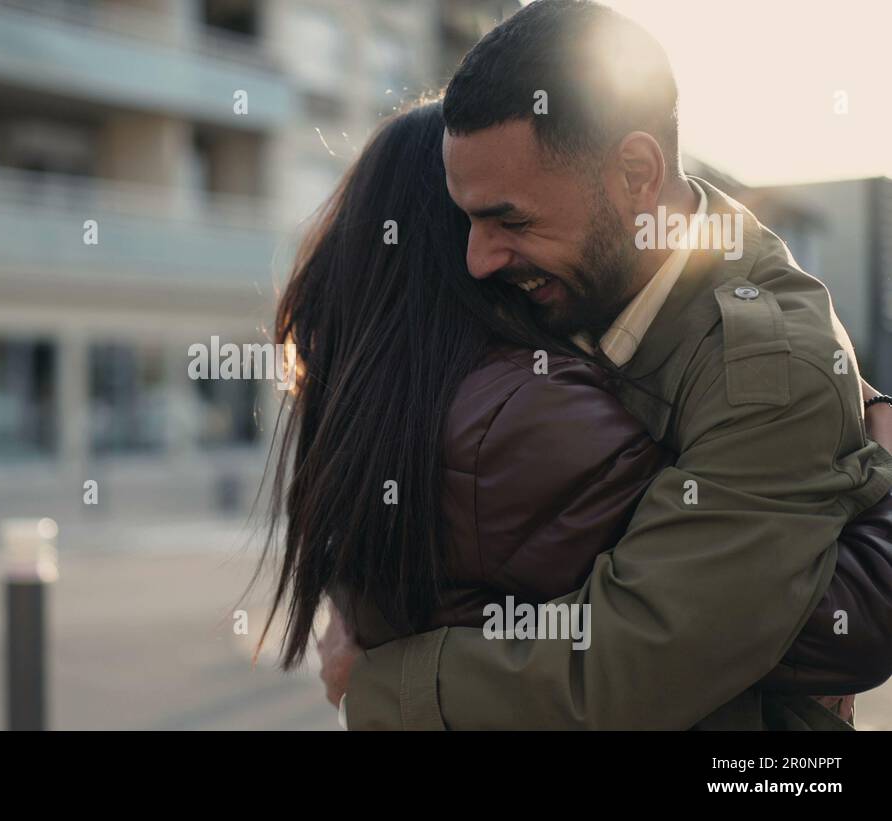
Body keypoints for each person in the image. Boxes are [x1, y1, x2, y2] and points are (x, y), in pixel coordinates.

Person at [301, 0, 892, 730]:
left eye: (510, 220)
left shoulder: (762, 366)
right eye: (467, 219)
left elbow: (646, 656)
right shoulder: (574, 296)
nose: (477, 260)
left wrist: (382, 685)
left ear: (637, 173)